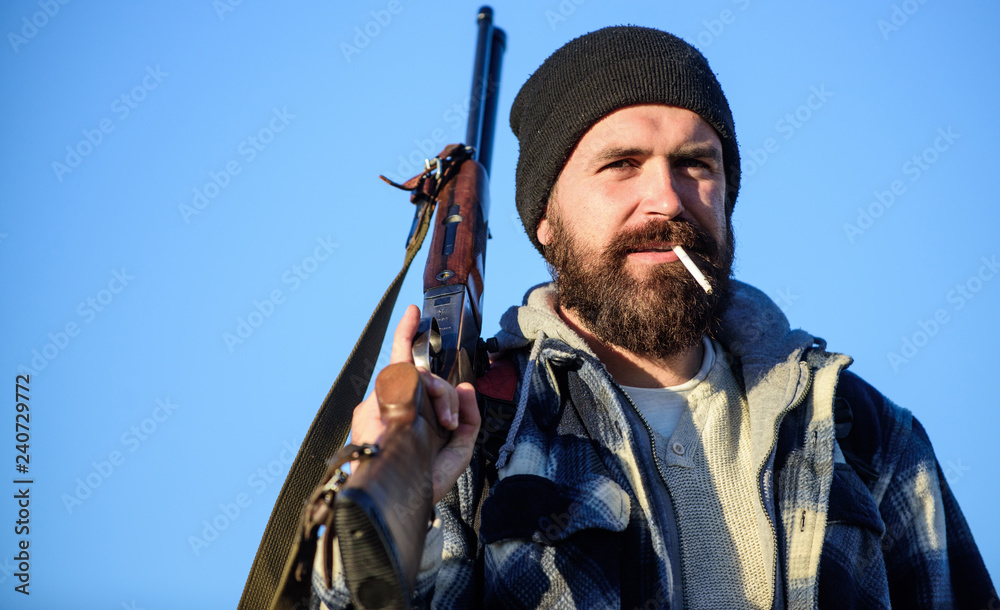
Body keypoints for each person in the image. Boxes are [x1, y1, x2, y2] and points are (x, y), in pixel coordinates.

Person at [312, 26, 995, 609]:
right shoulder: (478, 426)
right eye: (622, 165)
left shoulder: (862, 431)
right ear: (545, 221)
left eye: (697, 165)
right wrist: (405, 493)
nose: (666, 199)